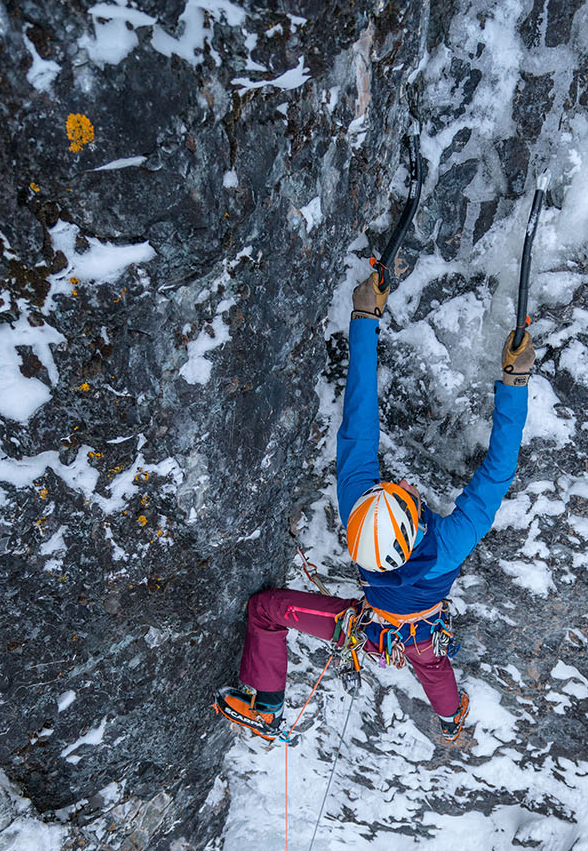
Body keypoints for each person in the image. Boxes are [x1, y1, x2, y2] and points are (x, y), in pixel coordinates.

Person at [214, 272, 534, 745]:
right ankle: (451, 718)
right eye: (404, 492)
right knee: (430, 664)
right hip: (404, 633)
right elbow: (497, 469)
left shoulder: (358, 507)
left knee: (267, 611)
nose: (400, 482)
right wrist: (515, 381)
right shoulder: (445, 544)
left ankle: (265, 704)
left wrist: (365, 316)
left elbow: (360, 422)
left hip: (368, 632)